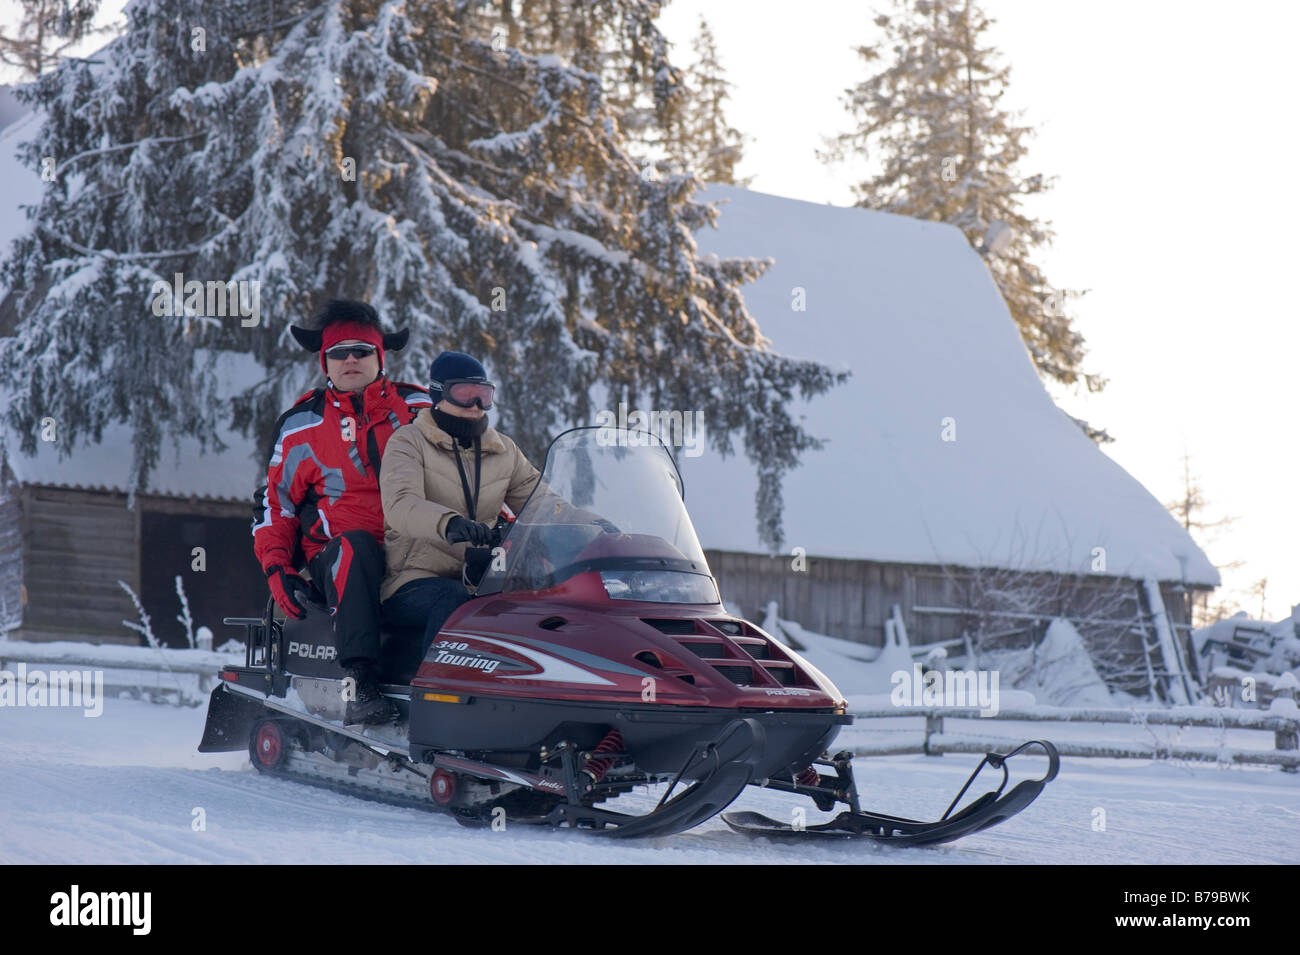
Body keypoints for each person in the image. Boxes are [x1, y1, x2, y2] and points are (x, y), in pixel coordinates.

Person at [252, 299, 431, 724]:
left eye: (362, 350)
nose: (350, 359)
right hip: (339, 558)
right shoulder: (301, 425)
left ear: (380, 356)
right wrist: (278, 569)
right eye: (339, 352)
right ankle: (360, 684)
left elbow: (470, 474)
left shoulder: (420, 410)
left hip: (419, 550)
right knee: (356, 547)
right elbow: (275, 504)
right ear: (324, 362)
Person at [379, 351, 545, 656]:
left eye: (483, 395)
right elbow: (401, 504)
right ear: (438, 394)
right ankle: (437, 690)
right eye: (464, 395)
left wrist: (595, 528)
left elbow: (541, 500)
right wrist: (449, 523)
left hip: (484, 579)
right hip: (413, 580)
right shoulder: (408, 441)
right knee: (451, 598)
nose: (476, 406)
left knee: (538, 603)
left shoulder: (503, 450)